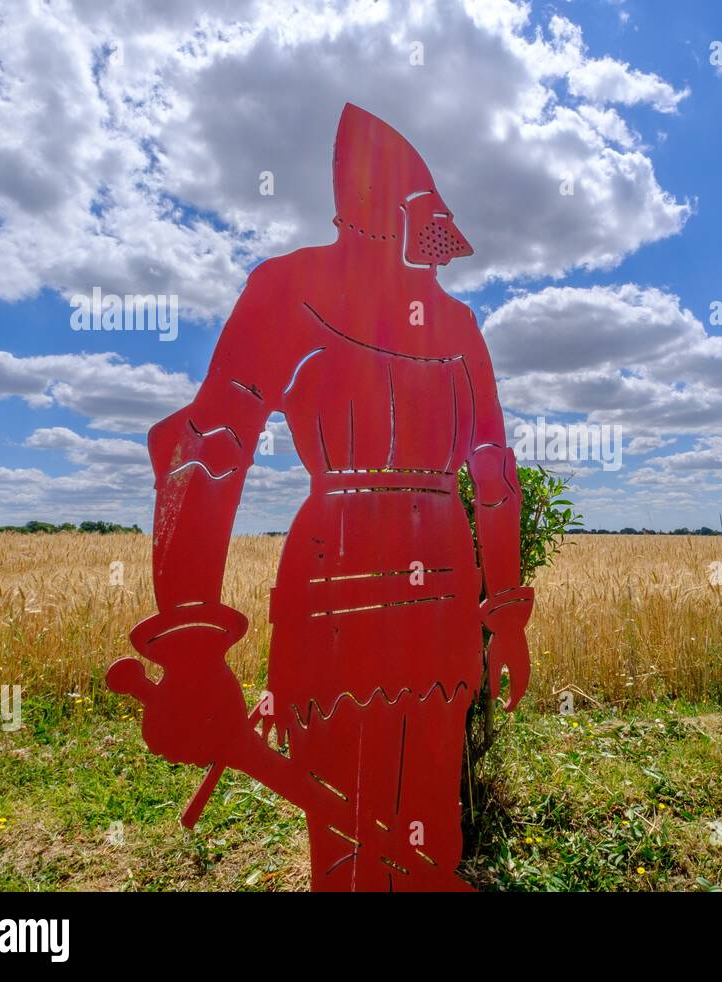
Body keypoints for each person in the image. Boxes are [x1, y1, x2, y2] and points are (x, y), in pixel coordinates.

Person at [110, 103, 532, 891]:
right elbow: (205, 452)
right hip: (335, 590)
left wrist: (504, 615)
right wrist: (194, 647)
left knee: (428, 821)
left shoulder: (458, 324)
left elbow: (492, 472)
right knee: (344, 822)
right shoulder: (292, 288)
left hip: (441, 598)